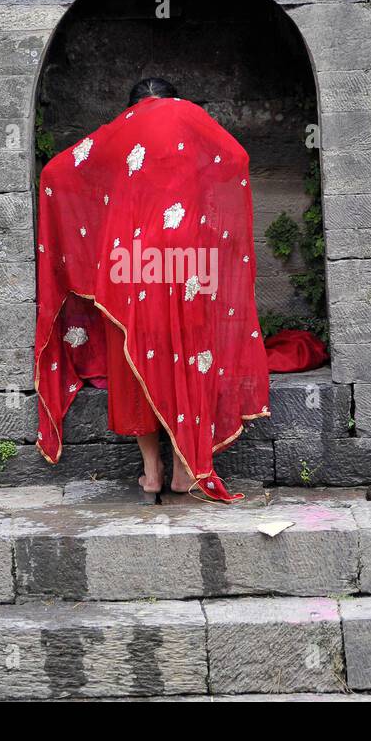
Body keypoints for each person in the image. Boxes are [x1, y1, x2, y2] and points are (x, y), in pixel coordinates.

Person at [34, 78, 270, 503]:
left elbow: (57, 173)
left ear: (133, 105)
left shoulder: (120, 130)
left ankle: (151, 471)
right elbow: (237, 156)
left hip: (133, 262)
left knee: (134, 352)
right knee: (188, 351)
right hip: (188, 262)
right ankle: (185, 469)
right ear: (173, 96)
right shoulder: (190, 118)